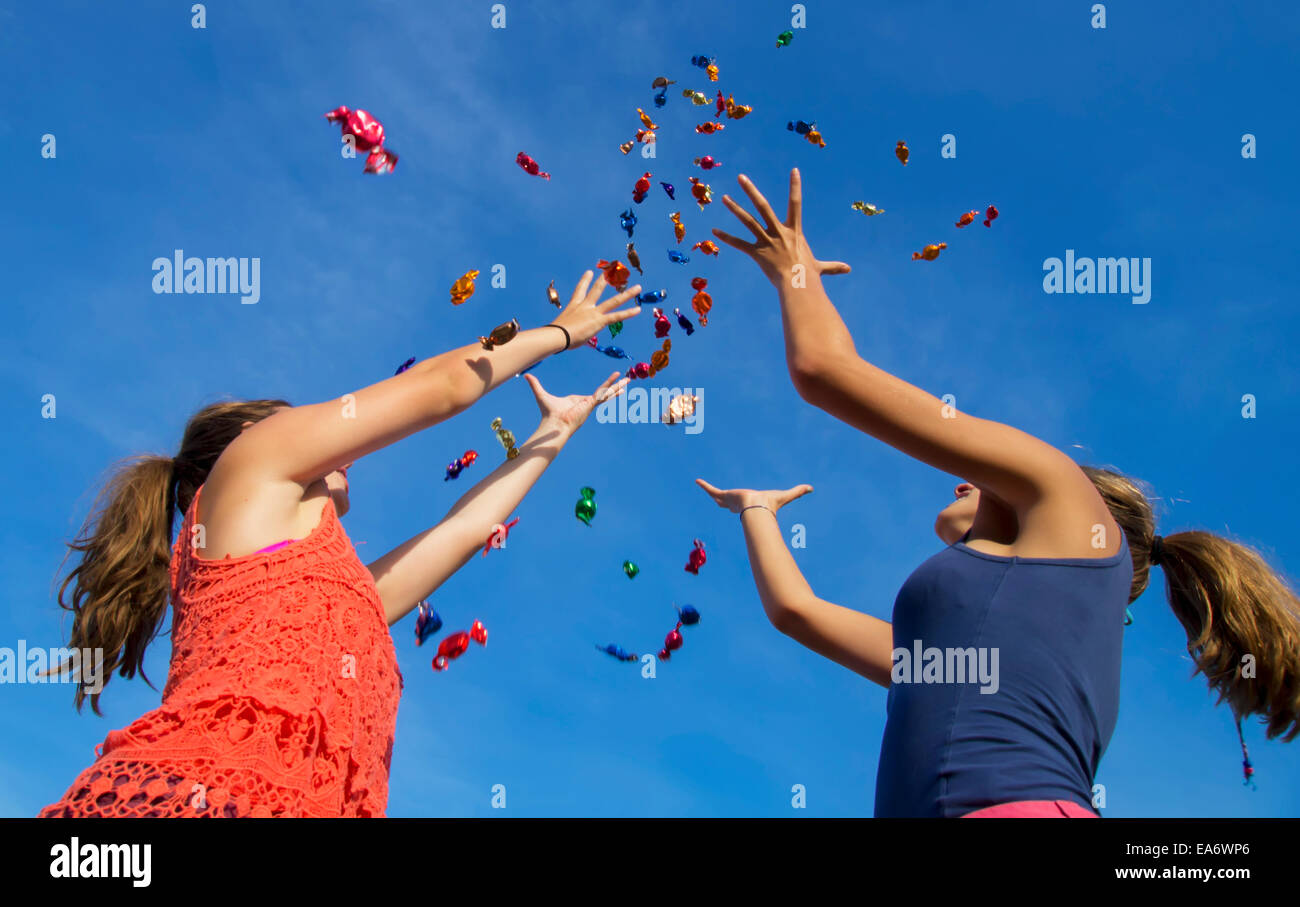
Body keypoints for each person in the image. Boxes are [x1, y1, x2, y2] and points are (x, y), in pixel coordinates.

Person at [698, 170, 1300, 817]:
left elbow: (824, 369)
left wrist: (795, 272)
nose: (964, 474)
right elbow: (797, 611)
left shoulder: (1062, 491)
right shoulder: (960, 656)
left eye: (983, 470)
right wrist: (755, 507)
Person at [39, 272, 642, 817]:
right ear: (252, 435)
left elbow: (462, 531)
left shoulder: (351, 596)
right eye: (312, 422)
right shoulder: (250, 462)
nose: (336, 441)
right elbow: (444, 386)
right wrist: (562, 331)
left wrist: (554, 433)